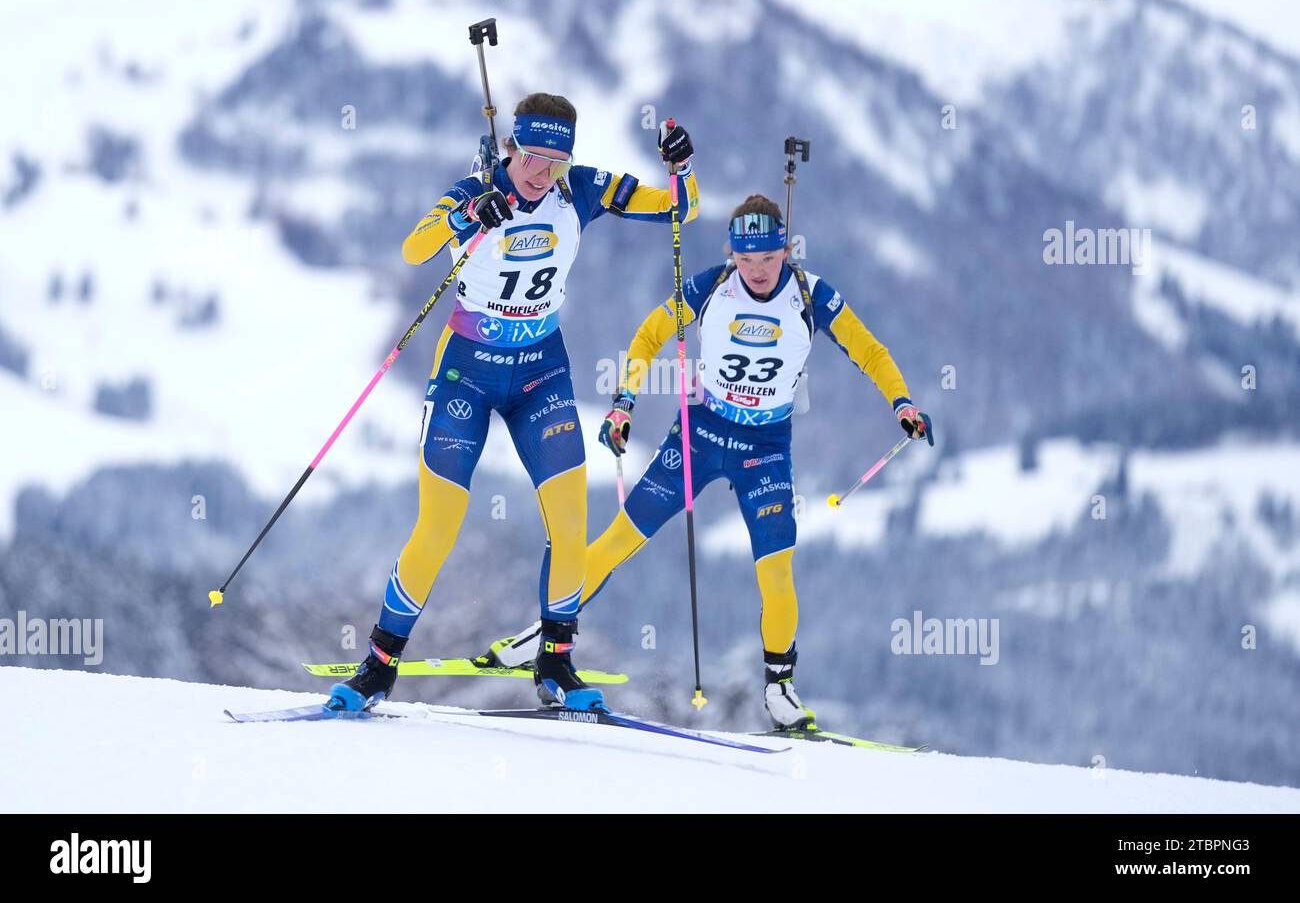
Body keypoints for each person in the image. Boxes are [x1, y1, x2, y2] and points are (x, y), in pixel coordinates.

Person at [480, 194, 932, 728]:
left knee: (777, 570)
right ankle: (548, 631)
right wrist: (625, 402)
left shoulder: (811, 296)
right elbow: (651, 333)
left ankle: (779, 688)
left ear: (786, 250)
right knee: (621, 537)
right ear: (732, 254)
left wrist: (900, 400)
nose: (758, 271)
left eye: (768, 258)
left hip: (765, 450)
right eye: (746, 259)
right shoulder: (712, 285)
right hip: (699, 434)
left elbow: (870, 350)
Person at [327, 93, 699, 713]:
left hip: (540, 374)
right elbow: (413, 250)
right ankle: (379, 663)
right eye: (531, 158)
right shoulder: (474, 189)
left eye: (556, 162)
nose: (541, 174)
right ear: (511, 147)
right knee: (440, 523)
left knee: (570, 518)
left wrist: (681, 168)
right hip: (466, 374)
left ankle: (555, 661)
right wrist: (468, 214)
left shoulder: (580, 189)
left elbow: (676, 211)